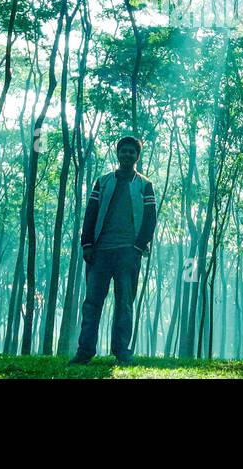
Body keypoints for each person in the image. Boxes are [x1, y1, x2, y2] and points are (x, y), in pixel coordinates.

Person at [69, 136, 157, 365]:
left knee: (125, 304)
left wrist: (138, 246)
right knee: (92, 303)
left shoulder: (145, 185)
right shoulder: (103, 182)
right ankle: (84, 351)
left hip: (128, 253)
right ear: (117, 154)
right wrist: (87, 244)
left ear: (137, 157)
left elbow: (150, 220)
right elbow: (91, 213)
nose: (127, 155)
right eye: (123, 151)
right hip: (100, 252)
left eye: (131, 152)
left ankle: (121, 352)